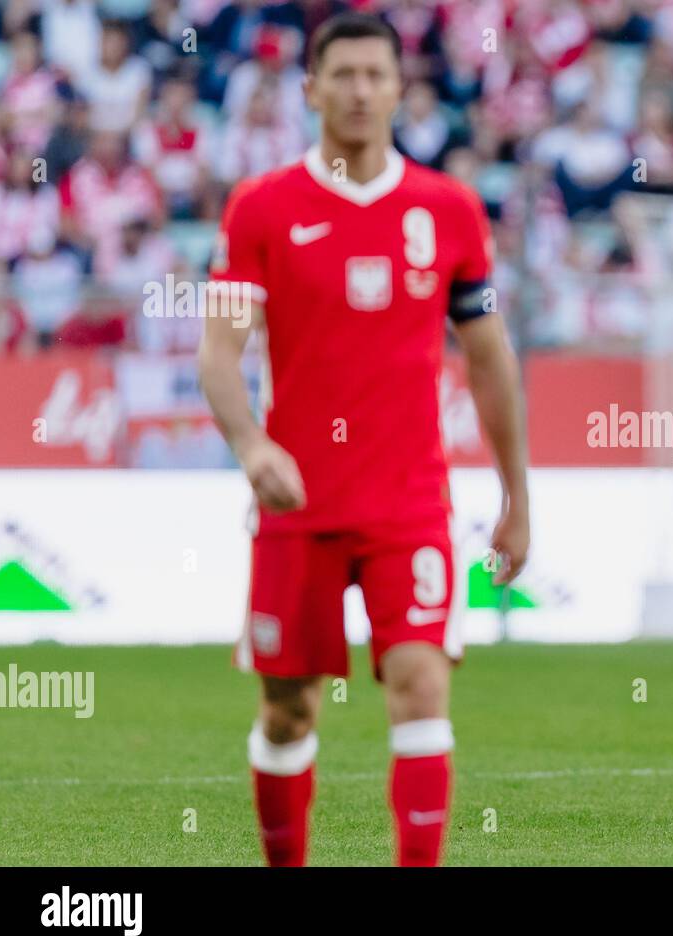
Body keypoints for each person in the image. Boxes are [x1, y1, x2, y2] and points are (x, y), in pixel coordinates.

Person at [198, 12, 530, 866]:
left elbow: (490, 360)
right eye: (340, 74)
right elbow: (220, 348)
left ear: (397, 87)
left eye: (374, 75)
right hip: (297, 504)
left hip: (409, 503)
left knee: (421, 686)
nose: (357, 90)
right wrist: (251, 447)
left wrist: (517, 499)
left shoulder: (447, 210)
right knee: (289, 710)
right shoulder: (262, 208)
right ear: (310, 88)